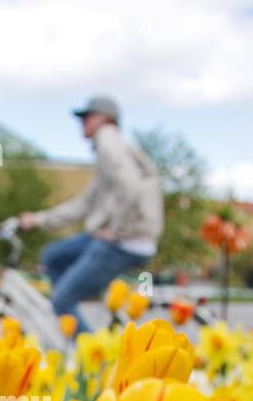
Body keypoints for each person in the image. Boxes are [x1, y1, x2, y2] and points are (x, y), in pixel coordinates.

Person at [18, 95, 163, 334]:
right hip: (120, 236)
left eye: (86, 117)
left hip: (125, 241)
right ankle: (69, 319)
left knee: (61, 300)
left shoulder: (108, 142)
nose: (81, 123)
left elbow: (131, 187)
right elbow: (84, 204)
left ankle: (86, 352)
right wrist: (39, 219)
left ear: (103, 119)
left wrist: (117, 231)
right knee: (53, 256)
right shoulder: (109, 149)